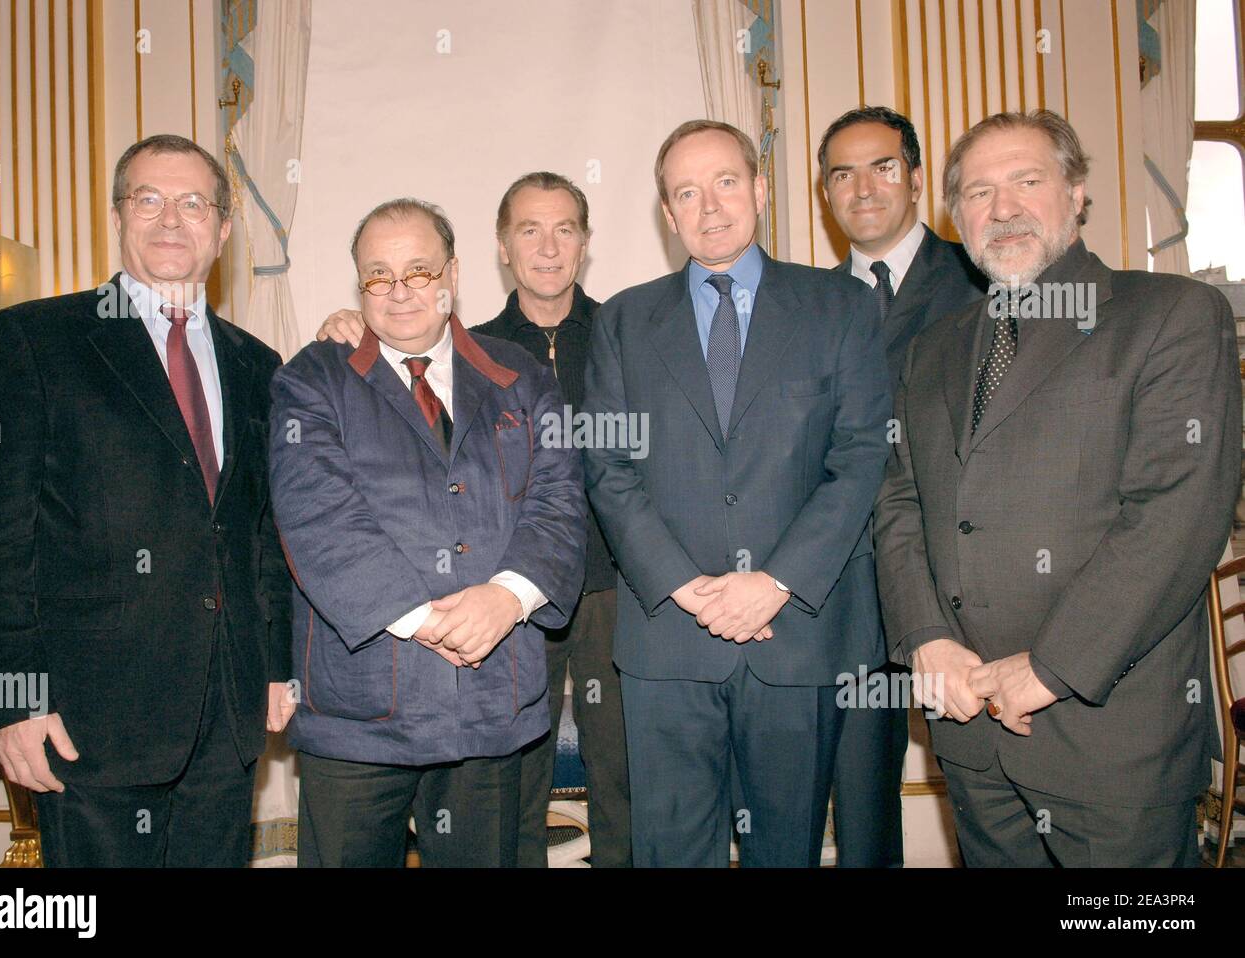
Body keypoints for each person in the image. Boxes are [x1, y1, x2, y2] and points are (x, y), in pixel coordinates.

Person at [873, 109, 1241, 867]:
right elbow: (901, 501)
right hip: (973, 732)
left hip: (1108, 742)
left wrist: (1049, 667)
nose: (1001, 208)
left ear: (1077, 194)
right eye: (977, 192)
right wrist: (926, 640)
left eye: (1026, 181)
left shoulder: (1169, 316)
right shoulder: (931, 350)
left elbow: (1177, 518)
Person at [0, 134, 295, 867]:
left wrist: (273, 666)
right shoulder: (36, 339)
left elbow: (261, 535)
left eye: (193, 202)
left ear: (223, 228)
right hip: (88, 720)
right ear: (118, 215)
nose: (171, 218)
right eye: (149, 199)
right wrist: (12, 699)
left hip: (226, 719)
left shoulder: (255, 363)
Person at [583, 119, 892, 866]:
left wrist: (776, 583)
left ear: (759, 188)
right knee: (670, 853)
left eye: (726, 181)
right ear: (668, 213)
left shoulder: (842, 306)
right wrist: (686, 587)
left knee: (785, 852)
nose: (710, 205)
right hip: (669, 641)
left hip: (799, 635)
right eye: (686, 192)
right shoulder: (624, 319)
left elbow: (858, 459)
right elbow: (608, 467)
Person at [316, 173, 632, 867]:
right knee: (509, 788)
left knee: (623, 777)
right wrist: (350, 331)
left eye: (564, 229)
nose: (547, 248)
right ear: (499, 249)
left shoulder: (627, 334)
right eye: (528, 230)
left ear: (584, 242)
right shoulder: (470, 351)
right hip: (501, 599)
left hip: (615, 590)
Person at [818, 106, 985, 867]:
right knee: (860, 806)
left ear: (917, 177)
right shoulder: (809, 306)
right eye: (841, 172)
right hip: (847, 588)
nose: (863, 187)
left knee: (994, 796)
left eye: (882, 165)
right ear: (825, 193)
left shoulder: (985, 275)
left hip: (965, 581)